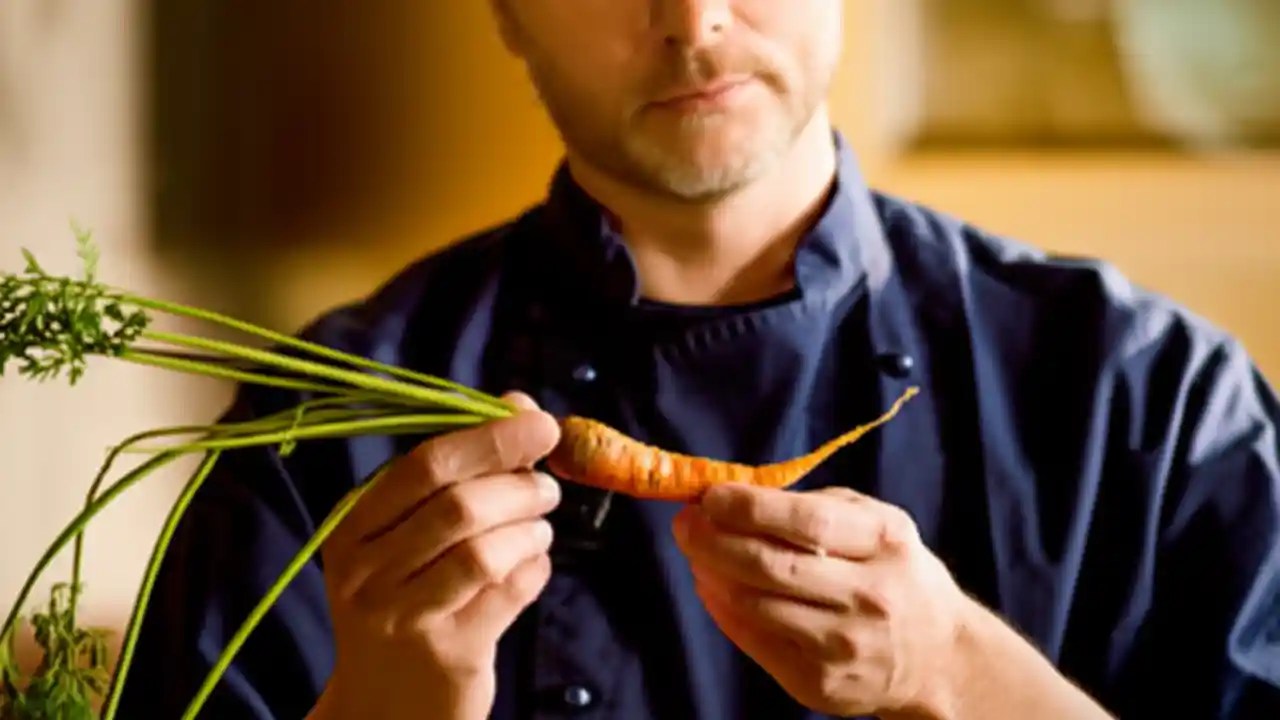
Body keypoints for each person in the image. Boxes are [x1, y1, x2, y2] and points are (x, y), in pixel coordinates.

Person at [117, 1, 1280, 718]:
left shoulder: (1154, 398)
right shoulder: (325, 419)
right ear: (508, 11)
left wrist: (961, 676)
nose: (690, 17)